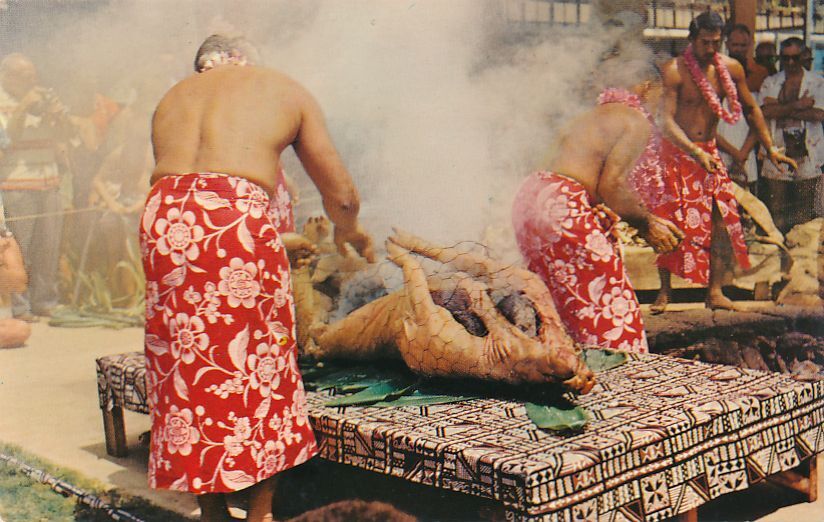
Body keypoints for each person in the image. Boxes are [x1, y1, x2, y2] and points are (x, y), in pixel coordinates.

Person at [141, 34, 375, 522]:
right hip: (231, 217)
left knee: (189, 364)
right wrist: (349, 230)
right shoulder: (281, 88)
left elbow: (180, 179)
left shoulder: (173, 97)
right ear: (251, 63)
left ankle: (212, 511)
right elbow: (342, 195)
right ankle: (260, 511)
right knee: (261, 362)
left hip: (166, 220)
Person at [512, 64, 684, 355]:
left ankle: (567, 370)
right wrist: (647, 225)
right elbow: (612, 186)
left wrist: (628, 214)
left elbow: (580, 177)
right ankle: (618, 381)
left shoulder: (589, 117)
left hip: (532, 198)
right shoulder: (634, 120)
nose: (662, 102)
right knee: (609, 302)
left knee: (560, 303)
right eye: (662, 93)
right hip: (560, 206)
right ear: (645, 86)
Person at [652, 12, 796, 313]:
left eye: (717, 43)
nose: (711, 49)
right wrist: (694, 151)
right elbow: (664, 120)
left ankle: (714, 291)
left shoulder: (731, 69)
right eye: (705, 42)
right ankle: (665, 292)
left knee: (719, 220)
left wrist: (770, 148)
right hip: (676, 152)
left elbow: (752, 108)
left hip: (709, 153)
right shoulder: (674, 71)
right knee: (666, 221)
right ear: (692, 39)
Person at [0, 53, 74, 321]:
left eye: (33, 75)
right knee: (19, 249)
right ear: (7, 76)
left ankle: (46, 301)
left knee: (49, 246)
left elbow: (67, 135)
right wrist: (23, 106)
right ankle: (20, 307)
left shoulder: (43, 99)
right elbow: (7, 138)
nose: (32, 81)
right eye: (24, 76)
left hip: (49, 181)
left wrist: (58, 116)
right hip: (17, 184)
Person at [760, 38, 824, 232]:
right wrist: (798, 105)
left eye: (794, 58)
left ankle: (802, 258)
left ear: (803, 57)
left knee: (805, 214)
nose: (789, 63)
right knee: (777, 211)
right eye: (785, 58)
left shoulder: (817, 82)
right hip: (777, 150)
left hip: (808, 152)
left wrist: (781, 108)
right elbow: (765, 112)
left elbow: (818, 114)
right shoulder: (771, 82)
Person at [718, 24, 761, 195]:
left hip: (746, 161)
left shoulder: (759, 75)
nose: (739, 50)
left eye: (743, 45)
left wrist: (741, 155)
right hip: (721, 159)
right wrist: (734, 154)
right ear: (727, 45)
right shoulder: (715, 75)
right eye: (735, 45)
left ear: (750, 45)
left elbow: (757, 122)